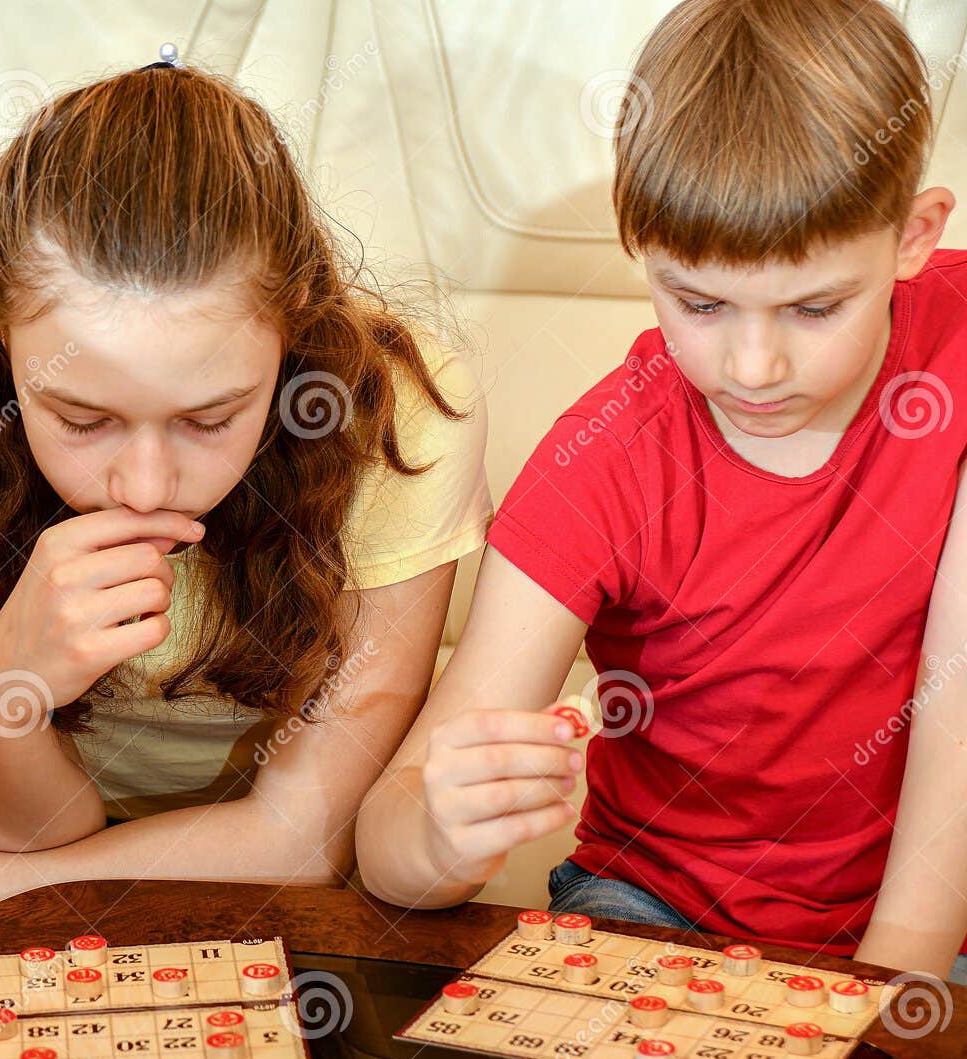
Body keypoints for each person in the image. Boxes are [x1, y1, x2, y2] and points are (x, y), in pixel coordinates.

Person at [0, 60, 491, 1007]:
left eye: (210, 417)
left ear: (293, 329)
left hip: (275, 831)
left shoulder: (393, 416)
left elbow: (299, 838)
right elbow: (17, 837)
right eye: (80, 418)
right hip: (15, 810)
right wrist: (9, 685)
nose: (144, 486)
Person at [355, 0, 967, 986]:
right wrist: (434, 831)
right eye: (699, 302)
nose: (755, 364)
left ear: (914, 234)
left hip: (933, 916)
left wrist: (883, 1013)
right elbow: (388, 830)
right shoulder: (601, 465)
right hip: (657, 908)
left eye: (814, 307)